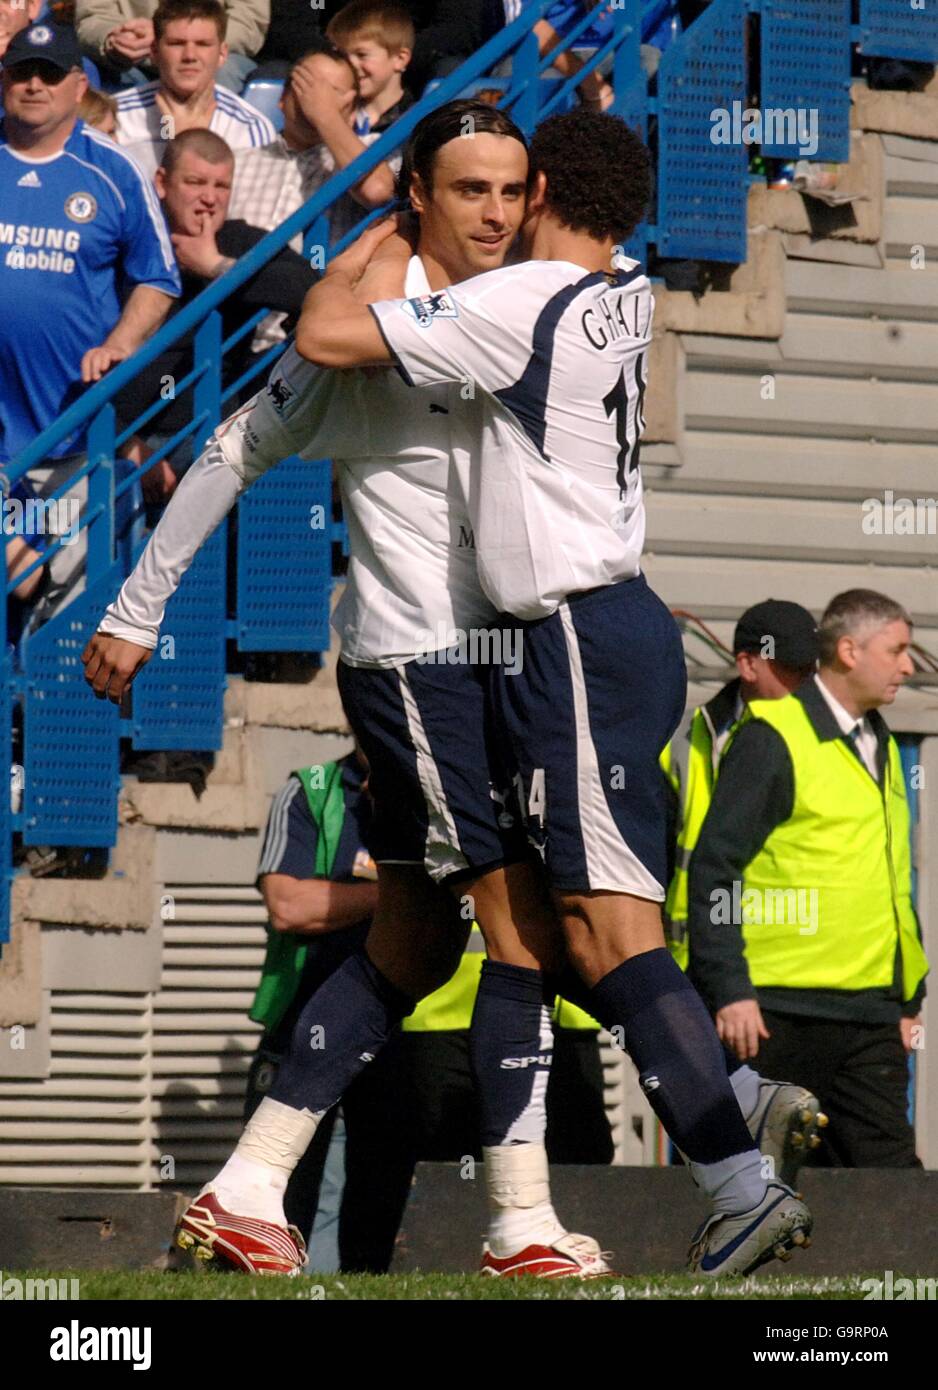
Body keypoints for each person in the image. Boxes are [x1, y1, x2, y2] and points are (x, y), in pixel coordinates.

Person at [84, 104, 810, 1281]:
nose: (493, 211)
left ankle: (251, 1184)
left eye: (510, 189)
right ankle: (539, 1206)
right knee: (523, 926)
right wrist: (136, 603)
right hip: (416, 663)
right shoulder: (380, 338)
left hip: (504, 665)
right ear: (420, 193)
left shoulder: (498, 312)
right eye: (465, 189)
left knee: (425, 943)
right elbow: (233, 450)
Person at [248, 753, 611, 1274]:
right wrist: (403, 901)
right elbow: (289, 905)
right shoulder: (315, 791)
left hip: (414, 1027)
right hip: (317, 1022)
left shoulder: (472, 777)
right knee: (301, 1188)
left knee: (380, 1184)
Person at [686, 588, 929, 1170]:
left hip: (870, 1012)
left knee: (891, 1177)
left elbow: (887, 879)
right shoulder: (774, 737)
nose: (909, 666)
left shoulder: (881, 743)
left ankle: (902, 1268)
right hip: (776, 1013)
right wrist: (731, 988)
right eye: (897, 649)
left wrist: (905, 993)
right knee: (758, 1176)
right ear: (849, 650)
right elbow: (716, 866)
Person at [0, 21, 180, 620]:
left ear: (78, 86)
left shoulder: (113, 169)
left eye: (48, 74)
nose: (32, 85)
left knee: (65, 598)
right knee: (22, 573)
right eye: (21, 71)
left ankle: (49, 709)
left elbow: (158, 278)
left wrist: (120, 344)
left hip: (72, 424)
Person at [660, 598, 828, 1184]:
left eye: (811, 672)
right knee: (701, 1127)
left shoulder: (819, 741)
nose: (805, 684)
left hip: (772, 969)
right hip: (687, 969)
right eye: (792, 672)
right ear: (748, 665)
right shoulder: (685, 743)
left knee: (783, 1130)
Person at [115, 127, 317, 495]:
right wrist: (128, 447)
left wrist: (216, 266)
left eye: (221, 187)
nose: (209, 198)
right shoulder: (129, 239)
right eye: (194, 182)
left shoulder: (239, 241)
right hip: (127, 434)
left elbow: (311, 291)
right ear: (162, 182)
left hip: (214, 431)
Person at [226, 39, 395, 352]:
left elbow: (377, 190)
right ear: (283, 97)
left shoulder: (369, 152)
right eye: (307, 87)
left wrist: (325, 115)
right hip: (238, 338)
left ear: (352, 106)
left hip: (320, 336)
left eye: (331, 92)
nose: (314, 101)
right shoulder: (236, 162)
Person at [113, 0, 276, 180]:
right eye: (177, 43)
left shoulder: (249, 128)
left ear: (222, 54)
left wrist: (183, 139)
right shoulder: (118, 118)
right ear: (154, 51)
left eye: (203, 44)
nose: (190, 56)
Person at [75, 0, 269, 91]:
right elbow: (93, 15)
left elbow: (248, 20)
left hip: (210, 54)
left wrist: (177, 37)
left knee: (216, 71)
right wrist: (116, 37)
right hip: (134, 60)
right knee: (82, 73)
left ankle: (193, 155)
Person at [326, 0, 415, 138]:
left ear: (399, 59)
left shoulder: (417, 121)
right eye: (341, 55)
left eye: (362, 55)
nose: (350, 64)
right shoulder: (332, 113)